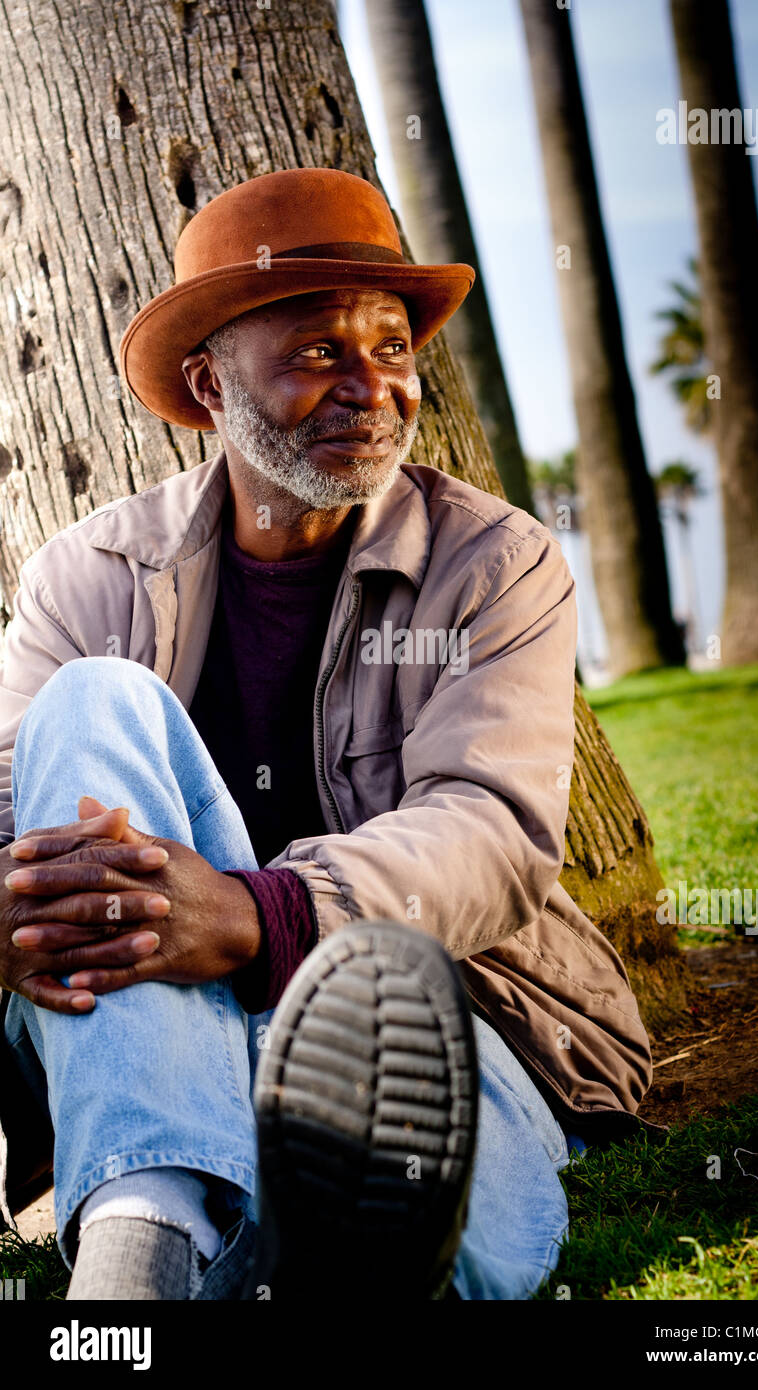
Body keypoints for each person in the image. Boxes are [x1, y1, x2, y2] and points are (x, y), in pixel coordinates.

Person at [0, 168, 652, 1300]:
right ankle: (149, 1247)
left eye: (391, 348)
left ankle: (145, 1265)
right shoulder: (87, 572)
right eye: (316, 354)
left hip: (419, 1000)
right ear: (208, 386)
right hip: (131, 1006)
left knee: (400, 1146)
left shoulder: (496, 564)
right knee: (95, 707)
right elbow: (17, 810)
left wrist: (261, 916)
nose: (373, 388)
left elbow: (490, 826)